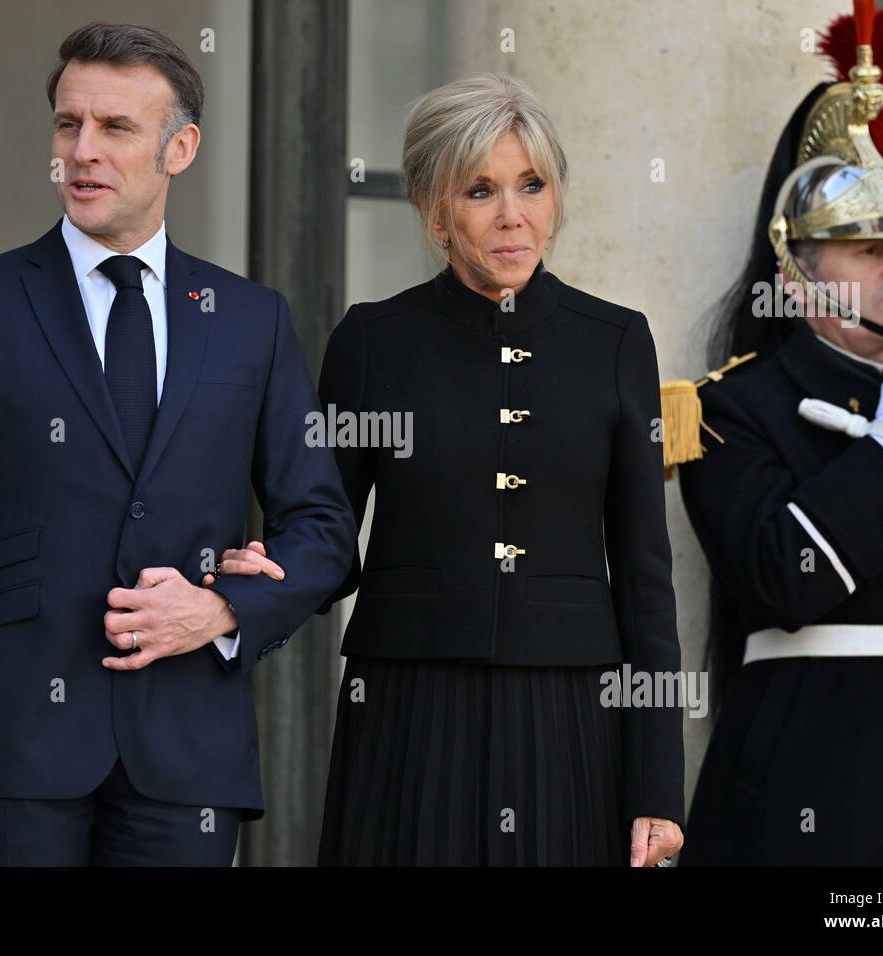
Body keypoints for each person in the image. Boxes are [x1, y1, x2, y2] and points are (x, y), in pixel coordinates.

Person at [0, 22, 355, 866]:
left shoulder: (251, 320)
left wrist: (223, 611)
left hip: (188, 759)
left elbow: (322, 530)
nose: (81, 151)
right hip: (2, 758)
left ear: (181, 148)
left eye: (115, 128)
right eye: (68, 125)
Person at [219, 72, 685, 866]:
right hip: (408, 706)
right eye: (480, 190)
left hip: (569, 711)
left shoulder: (616, 342)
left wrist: (658, 787)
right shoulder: (372, 342)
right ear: (434, 210)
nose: (513, 215)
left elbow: (645, 576)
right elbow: (324, 532)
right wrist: (264, 575)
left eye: (531, 185)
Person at [673, 9, 883, 865]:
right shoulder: (732, 408)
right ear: (799, 266)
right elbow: (787, 577)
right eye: (866, 244)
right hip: (807, 793)